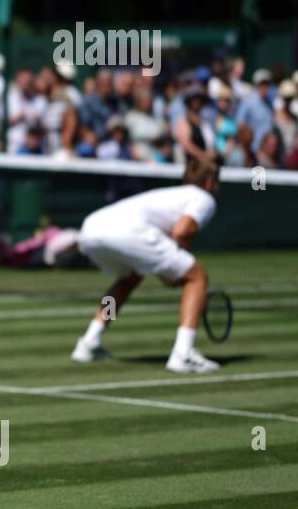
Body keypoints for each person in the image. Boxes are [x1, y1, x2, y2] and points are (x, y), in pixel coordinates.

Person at [71, 157, 222, 373]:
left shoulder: (172, 195)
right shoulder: (204, 198)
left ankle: (89, 341)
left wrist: (170, 272)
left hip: (91, 230)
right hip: (128, 232)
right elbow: (181, 231)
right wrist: (173, 274)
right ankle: (183, 354)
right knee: (197, 277)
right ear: (209, 183)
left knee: (128, 280)